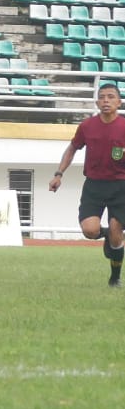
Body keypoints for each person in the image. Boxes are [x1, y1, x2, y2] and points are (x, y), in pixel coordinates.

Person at [49, 82, 125, 288]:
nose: (106, 100)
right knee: (89, 230)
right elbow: (72, 148)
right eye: (102, 97)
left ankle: (114, 278)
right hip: (94, 185)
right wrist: (58, 174)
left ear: (119, 102)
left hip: (120, 186)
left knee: (118, 230)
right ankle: (107, 234)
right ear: (97, 102)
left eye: (110, 96)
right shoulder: (87, 126)